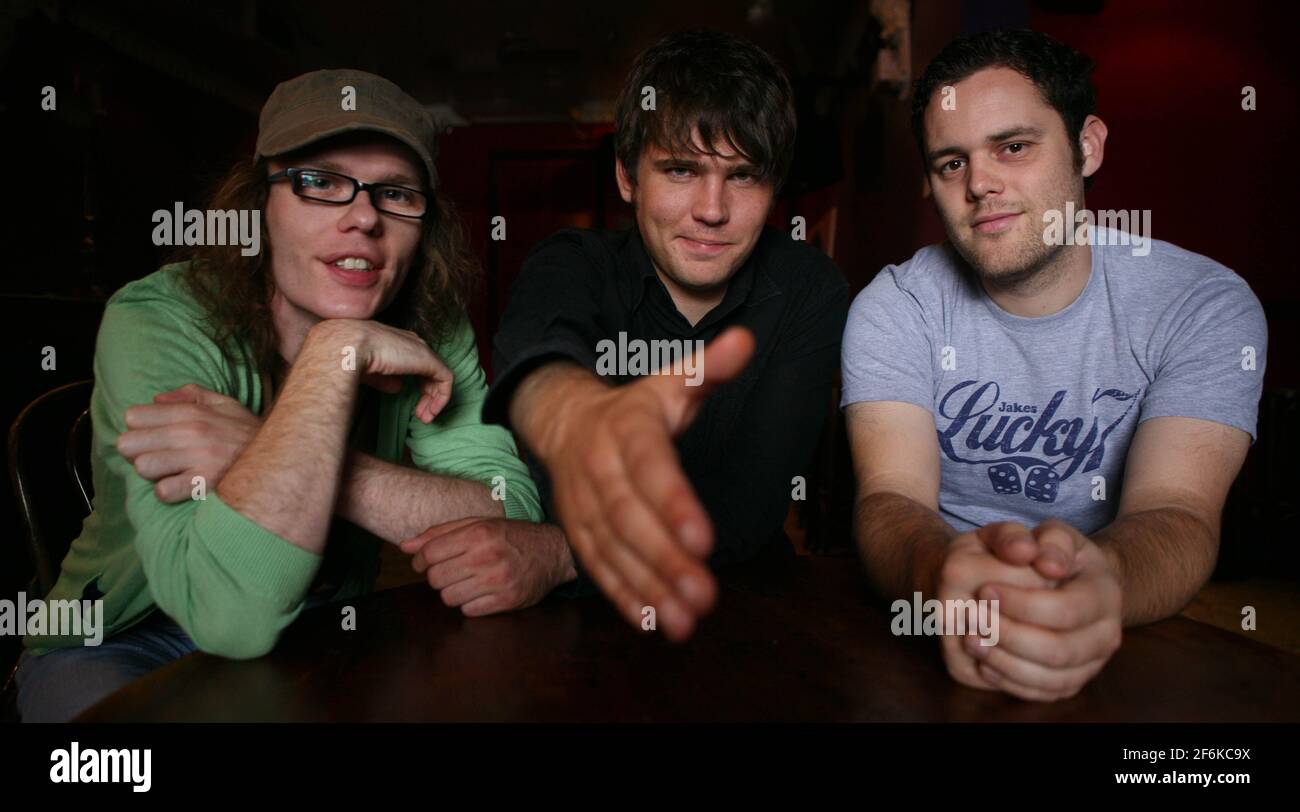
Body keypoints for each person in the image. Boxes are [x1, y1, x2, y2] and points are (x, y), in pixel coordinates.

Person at [16, 69, 547, 722]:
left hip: (314, 622)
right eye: (319, 182)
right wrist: (336, 355)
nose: (362, 218)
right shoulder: (157, 318)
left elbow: (508, 519)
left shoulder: (430, 322)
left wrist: (277, 453)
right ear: (259, 205)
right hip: (119, 642)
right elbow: (232, 617)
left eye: (396, 192)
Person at [842, 29, 1267, 701]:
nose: (980, 183)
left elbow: (1179, 509)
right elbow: (891, 497)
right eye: (951, 163)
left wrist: (1100, 583)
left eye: (1013, 147)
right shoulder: (896, 306)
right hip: (928, 629)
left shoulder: (1202, 304)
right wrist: (944, 573)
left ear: (1087, 146)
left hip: (1126, 629)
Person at [418, 29, 848, 642]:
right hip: (568, 628)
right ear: (627, 176)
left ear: (773, 187)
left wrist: (564, 554)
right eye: (680, 169)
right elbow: (541, 362)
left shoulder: (808, 286)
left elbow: (752, 507)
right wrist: (572, 416)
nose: (712, 208)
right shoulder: (568, 264)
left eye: (744, 176)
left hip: (742, 610)